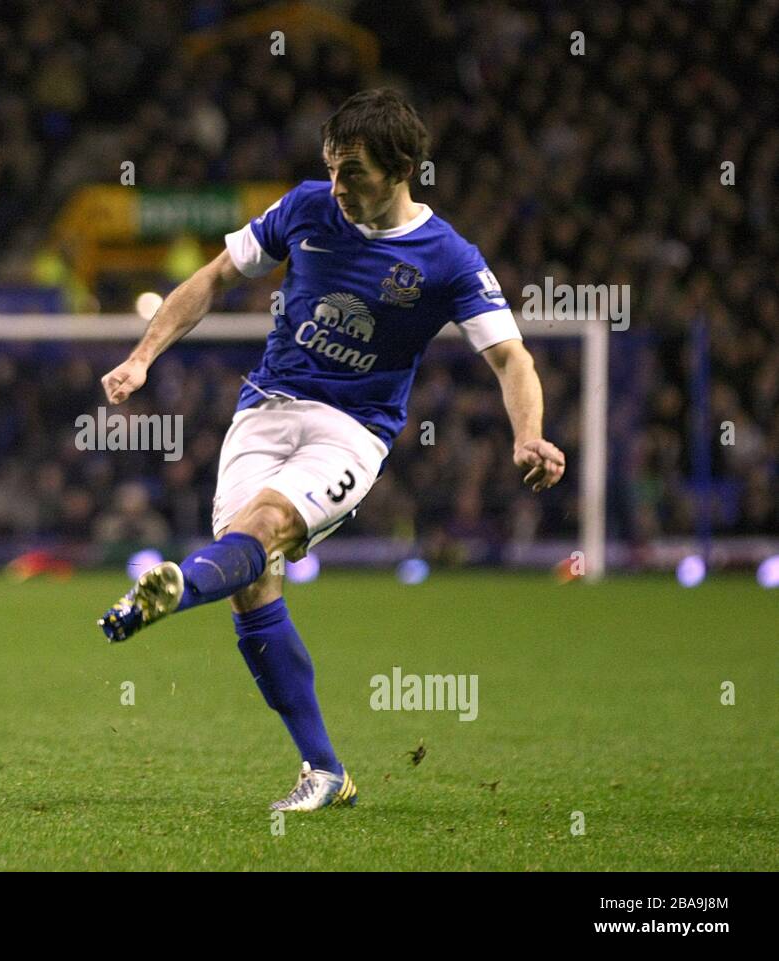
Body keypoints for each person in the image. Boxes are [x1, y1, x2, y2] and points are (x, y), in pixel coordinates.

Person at [95, 89, 565, 812]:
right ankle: (325, 771)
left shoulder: (448, 258)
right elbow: (215, 276)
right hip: (264, 410)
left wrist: (527, 435)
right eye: (332, 168)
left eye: (354, 172)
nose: (338, 186)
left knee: (264, 528)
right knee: (251, 582)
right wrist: (142, 357)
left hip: (351, 430)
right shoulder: (307, 208)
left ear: (402, 169)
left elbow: (511, 358)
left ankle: (176, 589)